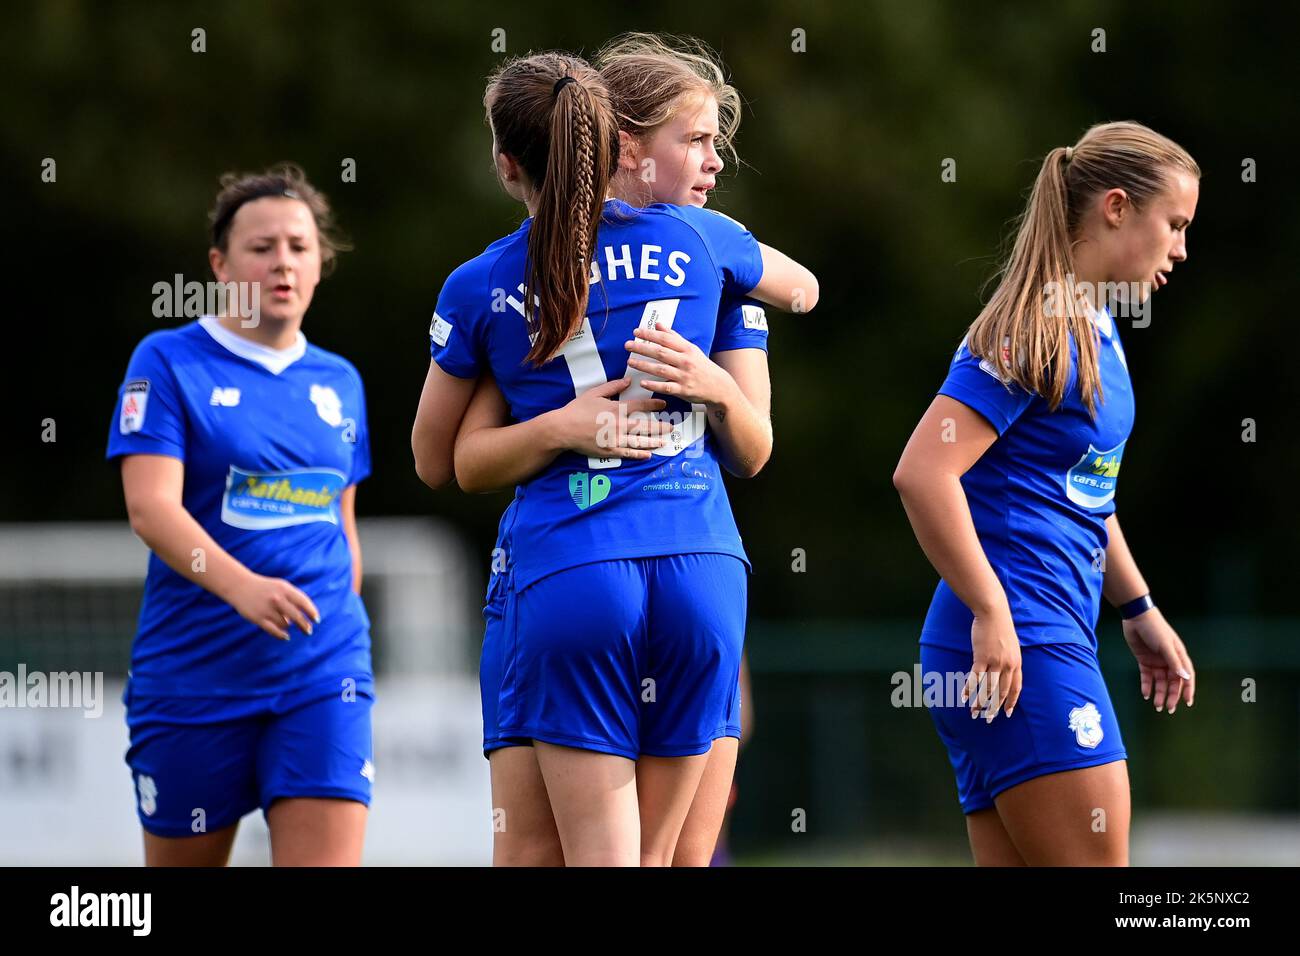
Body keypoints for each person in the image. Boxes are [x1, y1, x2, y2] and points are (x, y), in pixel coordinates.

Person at [412, 50, 815, 865]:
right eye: (696, 139)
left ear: (506, 163)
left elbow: (440, 461)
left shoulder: (487, 279)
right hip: (700, 564)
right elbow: (802, 290)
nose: (714, 161)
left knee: (555, 854)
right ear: (619, 144)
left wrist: (562, 425)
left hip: (571, 567)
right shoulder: (711, 246)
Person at [892, 121, 1199, 866]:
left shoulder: (1097, 324)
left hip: (1041, 635)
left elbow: (1085, 493)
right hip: (1019, 641)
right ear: (1117, 207)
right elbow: (923, 472)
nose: (1182, 249)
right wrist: (994, 610)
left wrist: (1138, 608)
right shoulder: (1039, 324)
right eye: (1176, 224)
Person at [106, 164, 374, 866]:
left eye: (298, 245)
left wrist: (339, 607)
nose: (282, 261)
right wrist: (242, 588)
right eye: (262, 247)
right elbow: (149, 507)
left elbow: (343, 521)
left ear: (320, 262)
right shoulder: (166, 362)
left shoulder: (340, 380)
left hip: (322, 671)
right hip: (195, 676)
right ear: (220, 265)